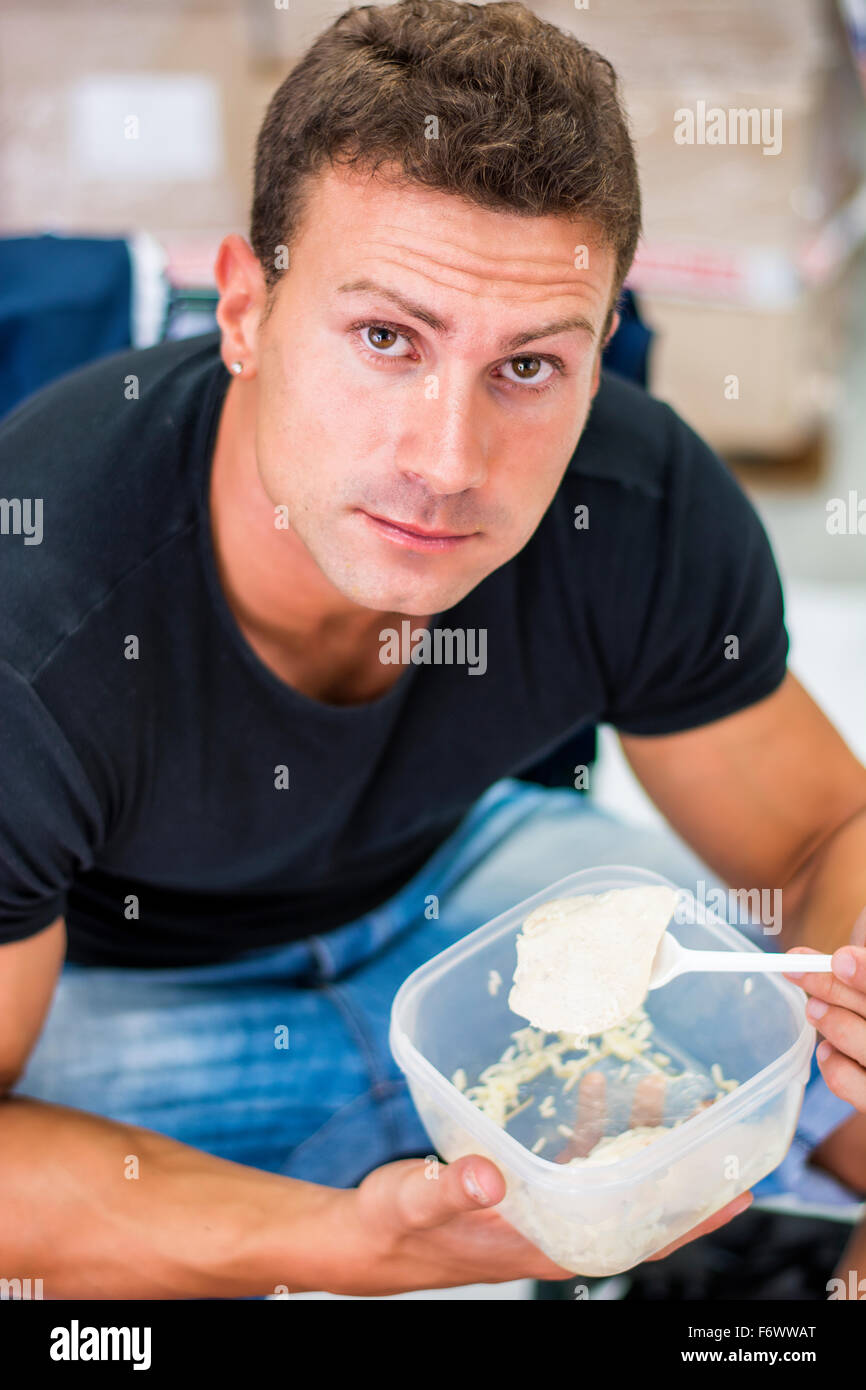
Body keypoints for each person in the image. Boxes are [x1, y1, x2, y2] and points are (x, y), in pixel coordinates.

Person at [1, 0, 864, 1299]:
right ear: (244, 305)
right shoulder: (38, 617)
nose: (448, 463)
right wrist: (343, 1246)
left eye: (527, 367)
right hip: (120, 1001)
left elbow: (818, 841)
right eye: (385, 338)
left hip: (463, 897)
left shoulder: (634, 500)